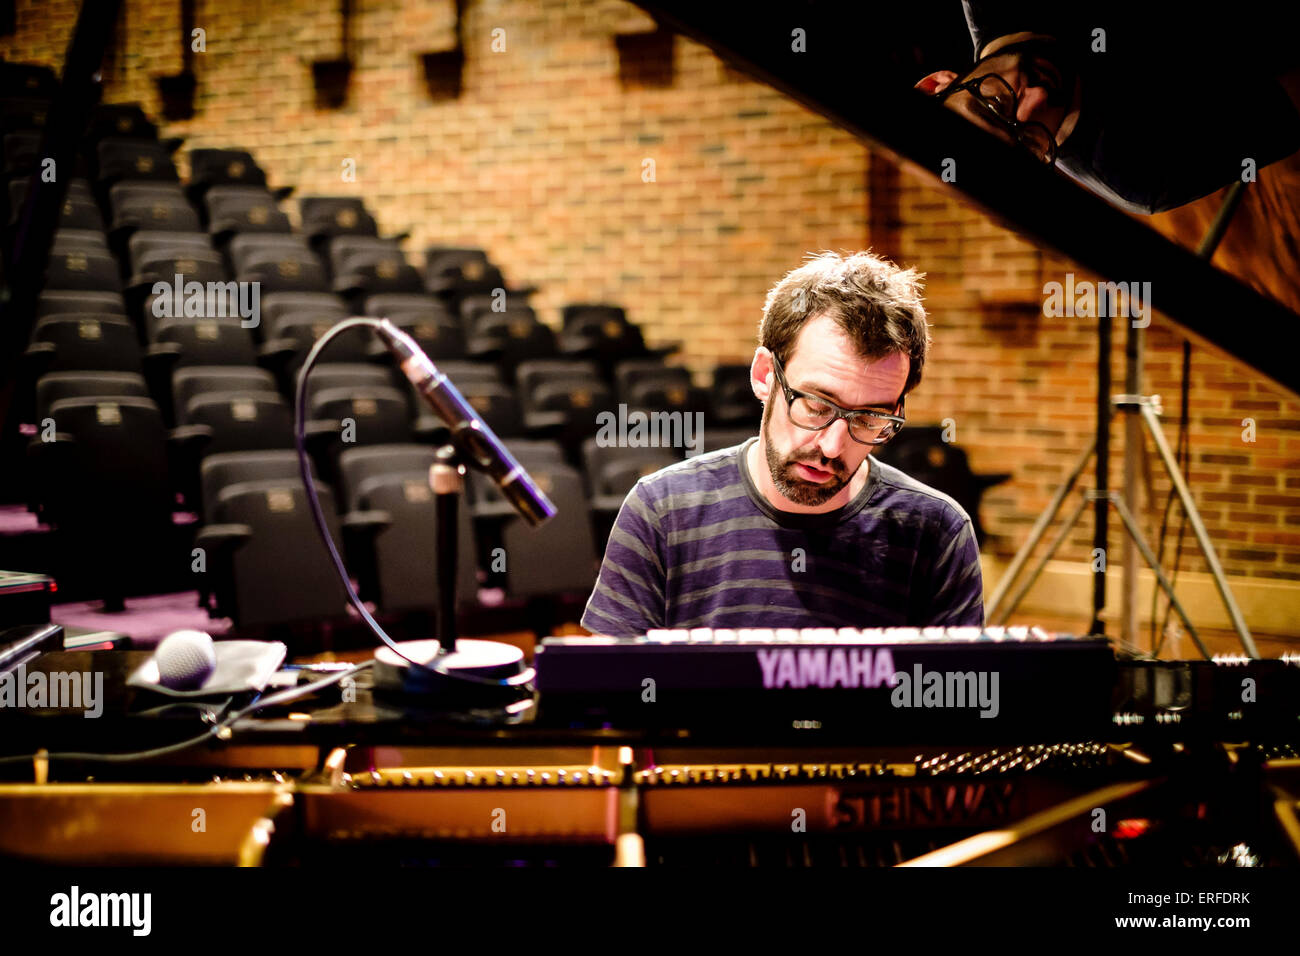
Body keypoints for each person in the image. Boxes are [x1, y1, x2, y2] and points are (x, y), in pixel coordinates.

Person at [581, 251, 984, 638]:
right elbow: (607, 700)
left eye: (868, 418)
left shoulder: (937, 533)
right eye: (815, 404)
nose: (831, 446)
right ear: (763, 376)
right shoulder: (660, 510)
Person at [915, 2, 1300, 214]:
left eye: (995, 102)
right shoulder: (1142, 172)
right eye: (1029, 144)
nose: (1038, 100)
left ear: (939, 83)